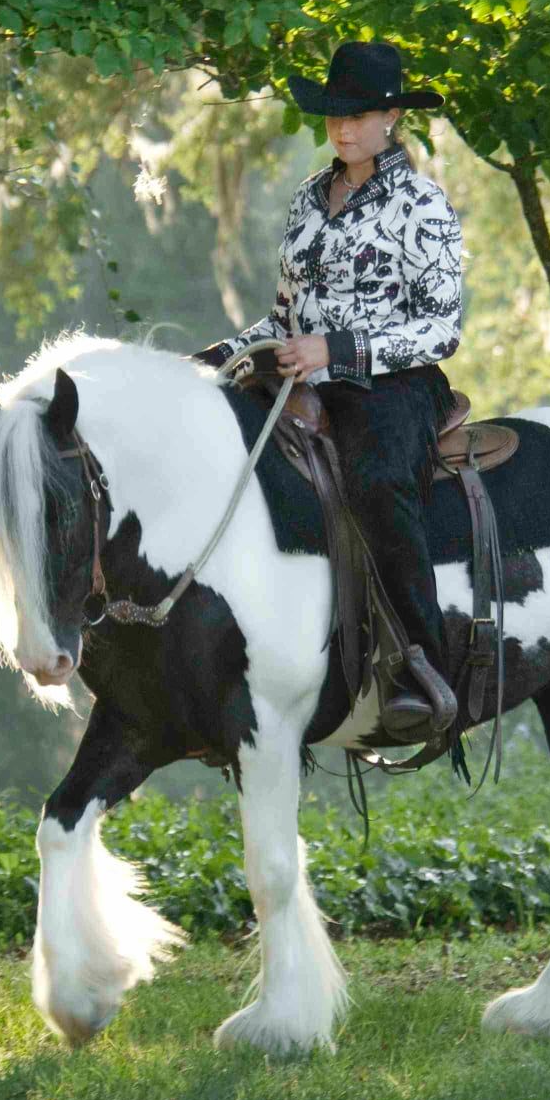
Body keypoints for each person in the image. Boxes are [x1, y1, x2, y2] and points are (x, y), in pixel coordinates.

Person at [193, 40, 465, 738]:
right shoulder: (308, 200)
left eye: (362, 115)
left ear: (392, 118)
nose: (344, 129)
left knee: (377, 482)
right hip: (302, 379)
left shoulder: (422, 203)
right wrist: (222, 355)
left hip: (394, 385)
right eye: (336, 116)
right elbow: (284, 316)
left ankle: (420, 665)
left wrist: (338, 349)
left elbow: (443, 328)